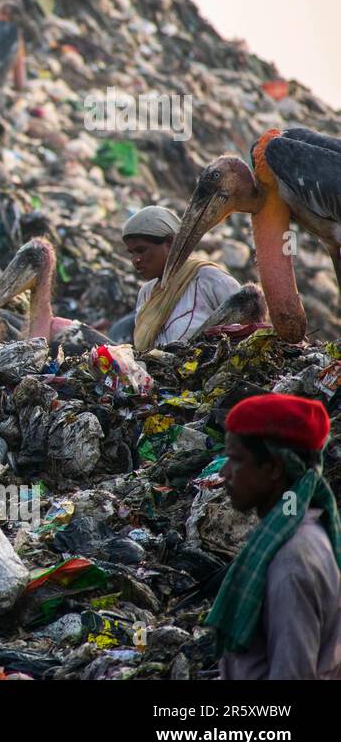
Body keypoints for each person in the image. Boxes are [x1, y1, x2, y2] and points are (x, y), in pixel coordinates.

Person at [212, 393, 341, 679]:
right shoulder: (293, 532)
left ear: (272, 468)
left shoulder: (291, 563)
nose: (224, 472)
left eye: (235, 460)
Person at [124, 205, 241, 351]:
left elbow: (248, 338)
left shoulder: (212, 281)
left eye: (141, 250)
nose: (136, 260)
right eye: (131, 253)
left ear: (171, 242)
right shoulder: (146, 293)